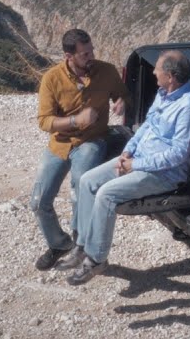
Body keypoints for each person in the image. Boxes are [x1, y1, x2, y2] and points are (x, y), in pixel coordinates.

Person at [65, 49, 190, 285]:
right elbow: (146, 127)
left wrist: (135, 165)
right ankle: (82, 245)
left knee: (106, 195)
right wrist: (127, 151)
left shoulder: (189, 106)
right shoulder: (164, 94)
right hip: (136, 159)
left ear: (170, 76)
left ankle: (96, 259)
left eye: (158, 68)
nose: (153, 71)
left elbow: (179, 154)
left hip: (163, 174)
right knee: (87, 181)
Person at [30, 28, 127, 271]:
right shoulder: (52, 78)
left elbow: (124, 94)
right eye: (84, 54)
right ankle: (58, 244)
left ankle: (80, 245)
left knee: (80, 187)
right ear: (68, 56)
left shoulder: (106, 71)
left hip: (92, 141)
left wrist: (122, 100)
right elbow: (44, 121)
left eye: (91, 50)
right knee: (39, 201)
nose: (91, 56)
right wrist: (75, 121)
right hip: (60, 144)